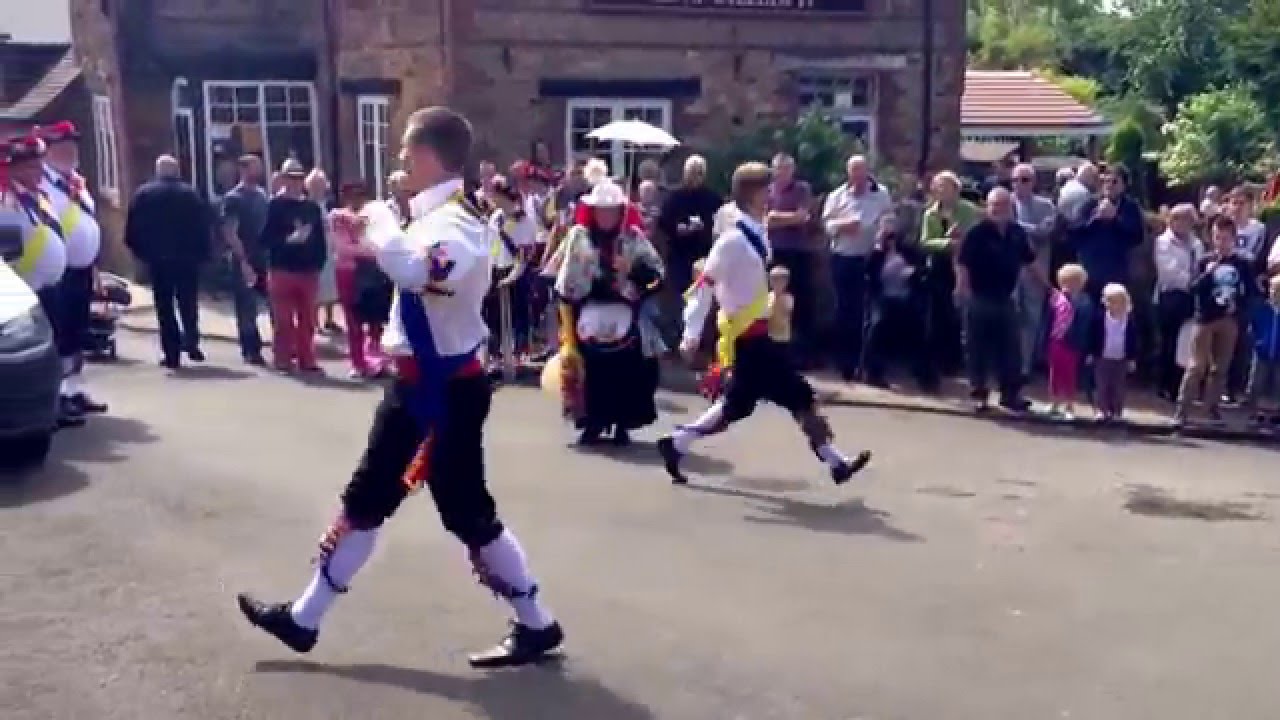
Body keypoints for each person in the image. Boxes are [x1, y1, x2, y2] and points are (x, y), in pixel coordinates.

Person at [237, 105, 564, 668]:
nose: (402, 163)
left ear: (429, 155)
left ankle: (306, 619)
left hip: (436, 389)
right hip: (432, 384)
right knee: (424, 505)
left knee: (431, 507)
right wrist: (381, 231)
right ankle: (306, 618)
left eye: (408, 154)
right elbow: (505, 247)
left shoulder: (455, 223)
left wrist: (378, 221)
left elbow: (419, 272)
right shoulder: (454, 216)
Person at [657, 161, 872, 486]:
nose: (771, 195)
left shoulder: (754, 232)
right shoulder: (732, 241)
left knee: (737, 404)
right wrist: (690, 334)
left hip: (758, 332)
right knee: (795, 393)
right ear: (753, 193)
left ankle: (676, 443)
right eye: (766, 189)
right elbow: (704, 285)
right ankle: (835, 462)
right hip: (747, 336)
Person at [552, 178, 665, 446]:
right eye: (601, 209)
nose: (606, 215)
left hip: (623, 311)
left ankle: (622, 423)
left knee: (625, 370)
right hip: (589, 309)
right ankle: (592, 422)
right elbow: (565, 274)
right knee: (591, 371)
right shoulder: (578, 236)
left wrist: (632, 271)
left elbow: (658, 276)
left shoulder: (634, 238)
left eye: (611, 209)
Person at [2, 132, 78, 427]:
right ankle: (49, 408)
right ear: (14, 169)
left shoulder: (36, 197)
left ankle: (59, 402)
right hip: (26, 290)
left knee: (59, 344)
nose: (38, 174)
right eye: (31, 168)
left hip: (50, 286)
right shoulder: (7, 200)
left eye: (38, 167)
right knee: (41, 353)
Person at [40, 121, 108, 414]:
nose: (70, 153)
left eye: (73, 147)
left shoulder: (76, 182)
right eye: (63, 148)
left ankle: (75, 390)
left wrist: (95, 269)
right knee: (60, 334)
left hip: (81, 269)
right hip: (58, 272)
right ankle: (58, 396)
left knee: (78, 333)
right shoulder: (40, 185)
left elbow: (85, 225)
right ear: (48, 152)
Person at [956, 187, 1041, 413]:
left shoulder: (1017, 233)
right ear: (987, 206)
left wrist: (1048, 286)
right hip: (979, 296)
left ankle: (1010, 395)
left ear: (1010, 208)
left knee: (1010, 348)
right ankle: (979, 395)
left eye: (1003, 205)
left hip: (1005, 297)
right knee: (977, 348)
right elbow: (963, 263)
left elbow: (1030, 261)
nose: (998, 209)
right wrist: (962, 289)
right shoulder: (976, 232)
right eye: (994, 205)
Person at [124, 155, 214, 370]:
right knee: (188, 302)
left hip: (158, 260)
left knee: (164, 307)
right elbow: (203, 226)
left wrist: (140, 253)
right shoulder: (190, 195)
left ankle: (171, 353)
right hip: (187, 259)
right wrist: (204, 254)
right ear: (176, 172)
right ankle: (191, 341)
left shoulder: (144, 195)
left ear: (158, 171)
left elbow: (133, 228)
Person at [1175, 215, 1254, 427]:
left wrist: (1239, 309)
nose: (1221, 243)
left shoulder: (1243, 264)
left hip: (1228, 320)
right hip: (1205, 319)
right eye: (1217, 238)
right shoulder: (1204, 261)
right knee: (1196, 366)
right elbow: (1192, 288)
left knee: (1220, 368)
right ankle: (1182, 410)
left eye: (1226, 238)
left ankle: (1212, 408)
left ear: (1234, 239)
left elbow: (1251, 292)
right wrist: (1208, 274)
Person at [822, 155, 893, 382]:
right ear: (848, 172)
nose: (858, 176)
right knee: (846, 311)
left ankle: (873, 368)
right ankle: (847, 365)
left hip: (872, 258)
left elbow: (889, 219)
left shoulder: (881, 194)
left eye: (861, 171)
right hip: (844, 257)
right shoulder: (837, 196)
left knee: (874, 314)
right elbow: (827, 225)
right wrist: (844, 226)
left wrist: (884, 231)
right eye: (854, 171)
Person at [261, 158, 327, 374]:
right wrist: (286, 240)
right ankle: (282, 359)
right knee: (284, 320)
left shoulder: (311, 208)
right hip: (282, 269)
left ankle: (307, 359)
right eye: (291, 177)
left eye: (299, 178)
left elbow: (319, 239)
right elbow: (264, 239)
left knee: (308, 320)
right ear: (282, 178)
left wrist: (319, 263)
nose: (295, 182)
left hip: (308, 270)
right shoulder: (274, 206)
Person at [920, 171, 979, 376]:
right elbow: (925, 241)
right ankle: (936, 361)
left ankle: (956, 361)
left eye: (945, 187)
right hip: (939, 265)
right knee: (937, 315)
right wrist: (947, 241)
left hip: (964, 265)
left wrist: (961, 240)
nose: (941, 191)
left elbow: (975, 235)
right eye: (938, 188)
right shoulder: (930, 214)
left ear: (956, 189)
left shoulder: (968, 210)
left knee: (959, 315)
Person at [864, 213, 931, 390]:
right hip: (883, 297)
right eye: (885, 228)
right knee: (877, 326)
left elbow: (923, 269)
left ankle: (925, 376)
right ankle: (873, 373)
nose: (890, 233)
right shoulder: (876, 251)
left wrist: (913, 272)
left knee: (918, 329)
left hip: (906, 296)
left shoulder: (908, 250)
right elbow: (869, 272)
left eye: (892, 227)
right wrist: (879, 247)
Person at [330, 182, 387, 379]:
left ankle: (377, 360)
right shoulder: (338, 217)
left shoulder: (373, 216)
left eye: (361, 195)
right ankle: (358, 362)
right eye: (352, 195)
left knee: (376, 320)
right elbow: (343, 248)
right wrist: (371, 251)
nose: (357, 199)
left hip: (373, 273)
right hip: (349, 272)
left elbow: (382, 242)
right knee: (353, 319)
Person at [657, 155, 721, 320]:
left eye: (699, 173)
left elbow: (719, 222)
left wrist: (704, 227)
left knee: (704, 295)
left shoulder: (712, 198)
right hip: (680, 255)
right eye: (692, 172)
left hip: (703, 254)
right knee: (681, 295)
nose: (695, 176)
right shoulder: (674, 198)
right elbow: (663, 222)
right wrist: (678, 228)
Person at [219, 154, 269, 365]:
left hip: (265, 256)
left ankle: (281, 347)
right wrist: (244, 260)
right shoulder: (233, 199)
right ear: (243, 170)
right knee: (247, 306)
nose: (258, 172)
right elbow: (230, 232)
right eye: (254, 168)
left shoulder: (261, 195)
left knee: (273, 303)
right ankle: (251, 348)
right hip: (244, 257)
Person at [765, 153, 815, 362]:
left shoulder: (802, 189)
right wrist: (791, 218)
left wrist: (778, 217)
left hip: (798, 252)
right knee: (771, 301)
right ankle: (771, 350)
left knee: (800, 301)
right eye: (779, 168)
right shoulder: (767, 191)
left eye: (786, 168)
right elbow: (765, 219)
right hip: (774, 251)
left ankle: (800, 354)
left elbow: (803, 216)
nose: (782, 172)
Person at [1010, 162, 1057, 379]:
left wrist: (1015, 226)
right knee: (1009, 317)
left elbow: (1043, 232)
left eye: (1025, 180)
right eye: (1015, 180)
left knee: (1032, 318)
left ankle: (1024, 367)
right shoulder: (1003, 202)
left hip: (1035, 270)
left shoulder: (1045, 206)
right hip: (1008, 269)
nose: (1019, 185)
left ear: (1034, 182)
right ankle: (1006, 365)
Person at [1152, 203, 1202, 401]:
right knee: (1168, 342)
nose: (1185, 224)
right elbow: (1168, 273)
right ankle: (1165, 385)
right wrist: (1192, 281)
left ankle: (1181, 387)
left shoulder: (1196, 244)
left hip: (1191, 298)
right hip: (1170, 296)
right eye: (1180, 219)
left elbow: (1201, 266)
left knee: (1187, 343)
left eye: (1189, 220)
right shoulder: (1163, 242)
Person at [1074, 164, 1143, 299]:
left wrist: (1115, 219)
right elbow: (1074, 231)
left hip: (1116, 269)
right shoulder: (1090, 203)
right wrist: (1094, 219)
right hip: (1091, 268)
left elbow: (1137, 236)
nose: (1109, 185)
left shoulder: (1130, 207)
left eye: (1114, 181)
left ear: (1124, 185)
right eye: (1106, 181)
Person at [1086, 283, 1138, 422]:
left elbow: (1133, 340)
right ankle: (1101, 411)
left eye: (1117, 302)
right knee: (1101, 385)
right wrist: (1090, 353)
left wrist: (1132, 358)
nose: (1113, 305)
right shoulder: (1099, 318)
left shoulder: (1129, 321)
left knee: (1118, 387)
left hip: (1121, 358)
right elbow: (1092, 336)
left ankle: (1116, 412)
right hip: (1102, 357)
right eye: (1109, 301)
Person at [1045, 264, 1090, 420]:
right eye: (1065, 282)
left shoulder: (1084, 302)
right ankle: (1054, 402)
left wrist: (1083, 345)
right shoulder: (1056, 299)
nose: (1068, 287)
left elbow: (1084, 324)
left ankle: (1069, 405)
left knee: (1069, 375)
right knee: (1054, 373)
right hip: (1055, 340)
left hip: (1072, 343)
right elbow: (1049, 320)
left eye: (1073, 283)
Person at [307, 169, 341, 335]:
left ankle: (329, 319)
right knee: (317, 286)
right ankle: (314, 321)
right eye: (315, 185)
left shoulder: (329, 203)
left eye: (321, 184)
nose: (319, 187)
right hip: (315, 250)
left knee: (331, 284)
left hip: (330, 247)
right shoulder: (307, 204)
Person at [1246, 275, 1280, 425]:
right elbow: (1252, 329)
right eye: (1274, 289)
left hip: (1279, 354)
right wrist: (1257, 342)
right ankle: (1255, 412)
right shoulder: (1262, 309)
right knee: (1256, 382)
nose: (1277, 293)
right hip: (1262, 353)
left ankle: (1274, 414)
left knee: (1277, 383)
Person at [766, 265, 794, 348]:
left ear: (785, 282)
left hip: (783, 337)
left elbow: (787, 310)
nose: (775, 282)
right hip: (770, 335)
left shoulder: (787, 297)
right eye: (772, 279)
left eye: (778, 279)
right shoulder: (769, 296)